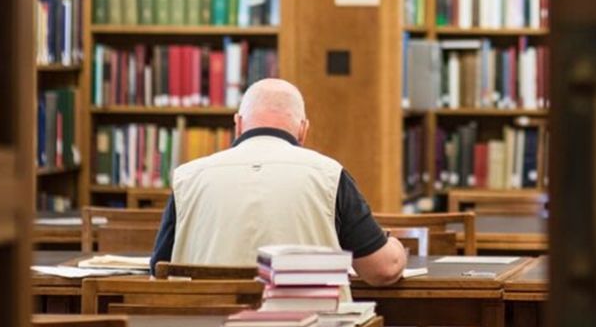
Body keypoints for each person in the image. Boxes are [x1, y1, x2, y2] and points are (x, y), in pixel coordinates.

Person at [150, 78, 407, 286]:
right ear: (303, 130)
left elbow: (159, 271)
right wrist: (395, 247)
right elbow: (382, 270)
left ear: (238, 125)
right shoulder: (329, 174)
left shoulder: (188, 177)